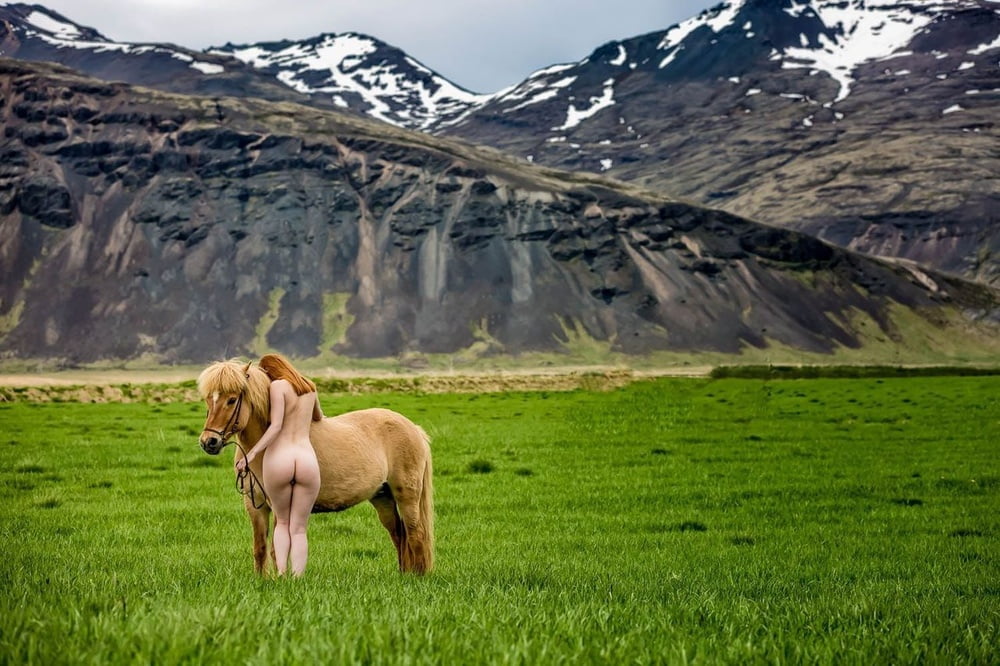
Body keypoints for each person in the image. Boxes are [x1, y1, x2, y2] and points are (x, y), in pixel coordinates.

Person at [236, 353, 324, 577]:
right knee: (300, 529)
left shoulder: (277, 387)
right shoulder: (309, 387)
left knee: (282, 522)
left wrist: (251, 453)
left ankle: (282, 574)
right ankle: (298, 578)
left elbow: (275, 427)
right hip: (306, 459)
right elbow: (318, 417)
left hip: (281, 458)